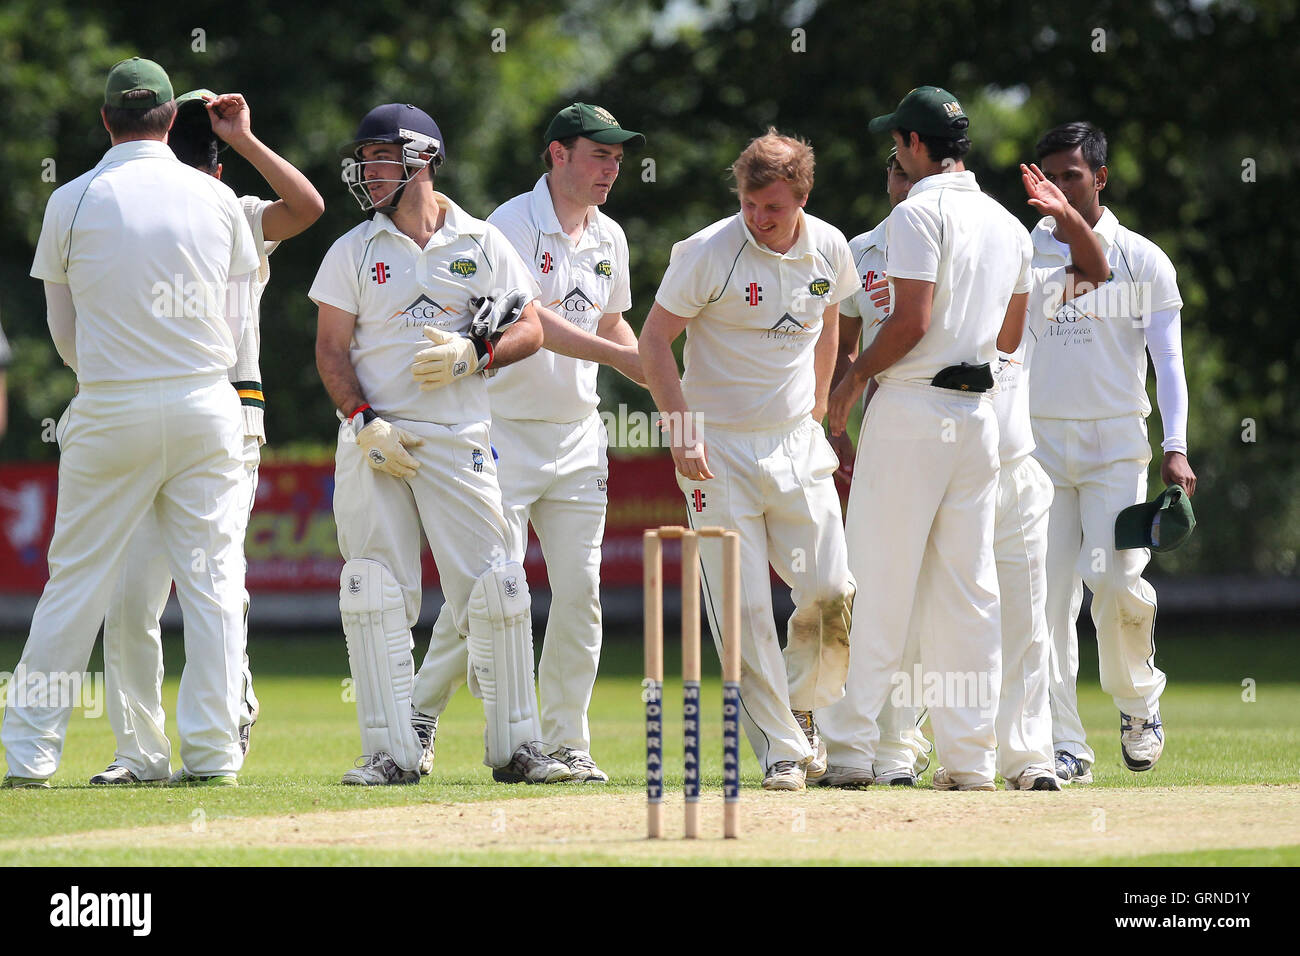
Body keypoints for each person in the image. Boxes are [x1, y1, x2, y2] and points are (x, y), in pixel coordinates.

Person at [4, 57, 259, 787]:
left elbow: (63, 328)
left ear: (107, 120)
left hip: (110, 401)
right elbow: (237, 318)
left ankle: (29, 753)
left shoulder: (74, 199)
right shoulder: (215, 199)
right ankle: (212, 755)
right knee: (212, 579)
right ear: (172, 118)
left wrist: (111, 378)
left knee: (76, 583)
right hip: (208, 402)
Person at [310, 102, 569, 785]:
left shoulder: (482, 242)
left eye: (379, 159)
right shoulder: (352, 250)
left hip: (459, 436)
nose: (366, 173)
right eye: (362, 161)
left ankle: (518, 749)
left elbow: (533, 329)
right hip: (377, 438)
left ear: (421, 160)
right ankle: (390, 754)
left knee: (496, 588)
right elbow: (331, 351)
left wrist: (473, 355)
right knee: (371, 589)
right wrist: (363, 420)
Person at [88, 90, 324, 785]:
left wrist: (246, 140)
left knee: (211, 584)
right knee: (132, 594)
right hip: (141, 413)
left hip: (227, 411)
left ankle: (217, 731)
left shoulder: (237, 213)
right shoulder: (127, 212)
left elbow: (307, 207)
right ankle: (139, 752)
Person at [410, 104, 645, 783]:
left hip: (577, 436)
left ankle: (567, 739)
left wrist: (653, 373)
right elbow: (531, 320)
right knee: (490, 593)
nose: (612, 167)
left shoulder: (610, 237)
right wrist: (618, 355)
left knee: (581, 593)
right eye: (598, 153)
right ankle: (420, 714)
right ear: (557, 154)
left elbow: (614, 322)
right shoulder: (509, 224)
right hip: (503, 432)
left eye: (618, 156)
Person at [821, 86, 1032, 791]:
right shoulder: (1008, 224)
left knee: (876, 577)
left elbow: (908, 321)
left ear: (914, 145)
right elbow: (1007, 337)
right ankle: (970, 760)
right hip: (979, 418)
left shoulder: (916, 212)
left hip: (912, 406)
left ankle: (849, 751)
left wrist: (852, 381)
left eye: (897, 142)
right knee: (967, 591)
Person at [640, 127, 858, 792]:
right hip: (717, 450)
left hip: (795, 441)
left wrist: (821, 406)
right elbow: (653, 341)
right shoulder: (709, 251)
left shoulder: (829, 245)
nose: (760, 219)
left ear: (802, 196)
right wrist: (682, 429)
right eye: (750, 204)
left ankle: (802, 704)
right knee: (743, 609)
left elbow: (830, 318)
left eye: (774, 207)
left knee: (830, 591)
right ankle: (783, 751)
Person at [1027, 122, 1195, 782]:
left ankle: (1137, 705)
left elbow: (1169, 360)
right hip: (1037, 444)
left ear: (1100, 178)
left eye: (1072, 174)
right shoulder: (1023, 254)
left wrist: (1175, 448)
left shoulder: (1142, 257)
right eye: (1049, 176)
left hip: (1115, 448)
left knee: (1117, 582)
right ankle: (1063, 742)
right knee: (1042, 599)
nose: (1060, 187)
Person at [987, 162, 1111, 790]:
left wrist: (1065, 217)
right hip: (945, 464)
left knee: (1034, 610)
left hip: (1017, 467)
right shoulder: (921, 285)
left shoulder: (1033, 287)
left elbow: (1096, 272)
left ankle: (1037, 750)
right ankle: (918, 749)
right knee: (958, 608)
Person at [818, 148, 934, 789]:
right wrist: (836, 425)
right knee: (871, 583)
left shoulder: (955, 232)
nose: (902, 183)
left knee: (927, 589)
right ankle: (861, 741)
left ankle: (901, 740)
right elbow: (847, 342)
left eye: (912, 173)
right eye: (894, 171)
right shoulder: (862, 248)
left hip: (955, 418)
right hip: (886, 425)